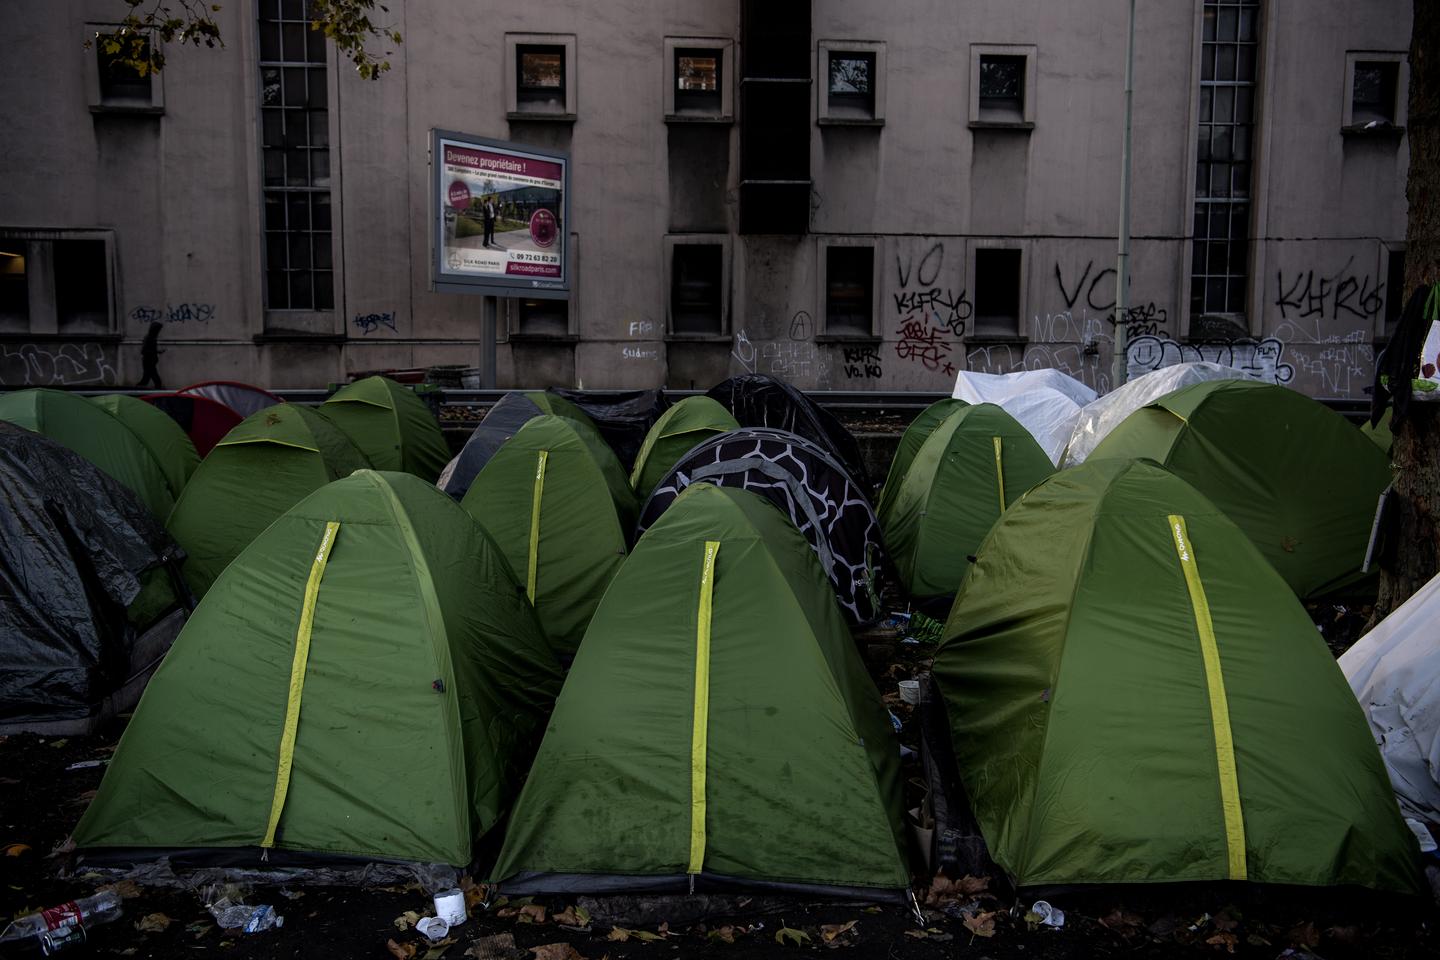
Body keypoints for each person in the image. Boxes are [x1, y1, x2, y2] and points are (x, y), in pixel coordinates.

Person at [136, 321, 164, 388]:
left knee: (146, 378)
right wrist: (154, 352)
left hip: (150, 361)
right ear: (155, 330)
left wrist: (158, 351)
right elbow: (144, 351)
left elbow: (149, 349)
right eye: (158, 329)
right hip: (148, 361)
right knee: (155, 379)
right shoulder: (149, 338)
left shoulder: (152, 338)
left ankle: (137, 389)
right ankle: (136, 391)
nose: (159, 331)